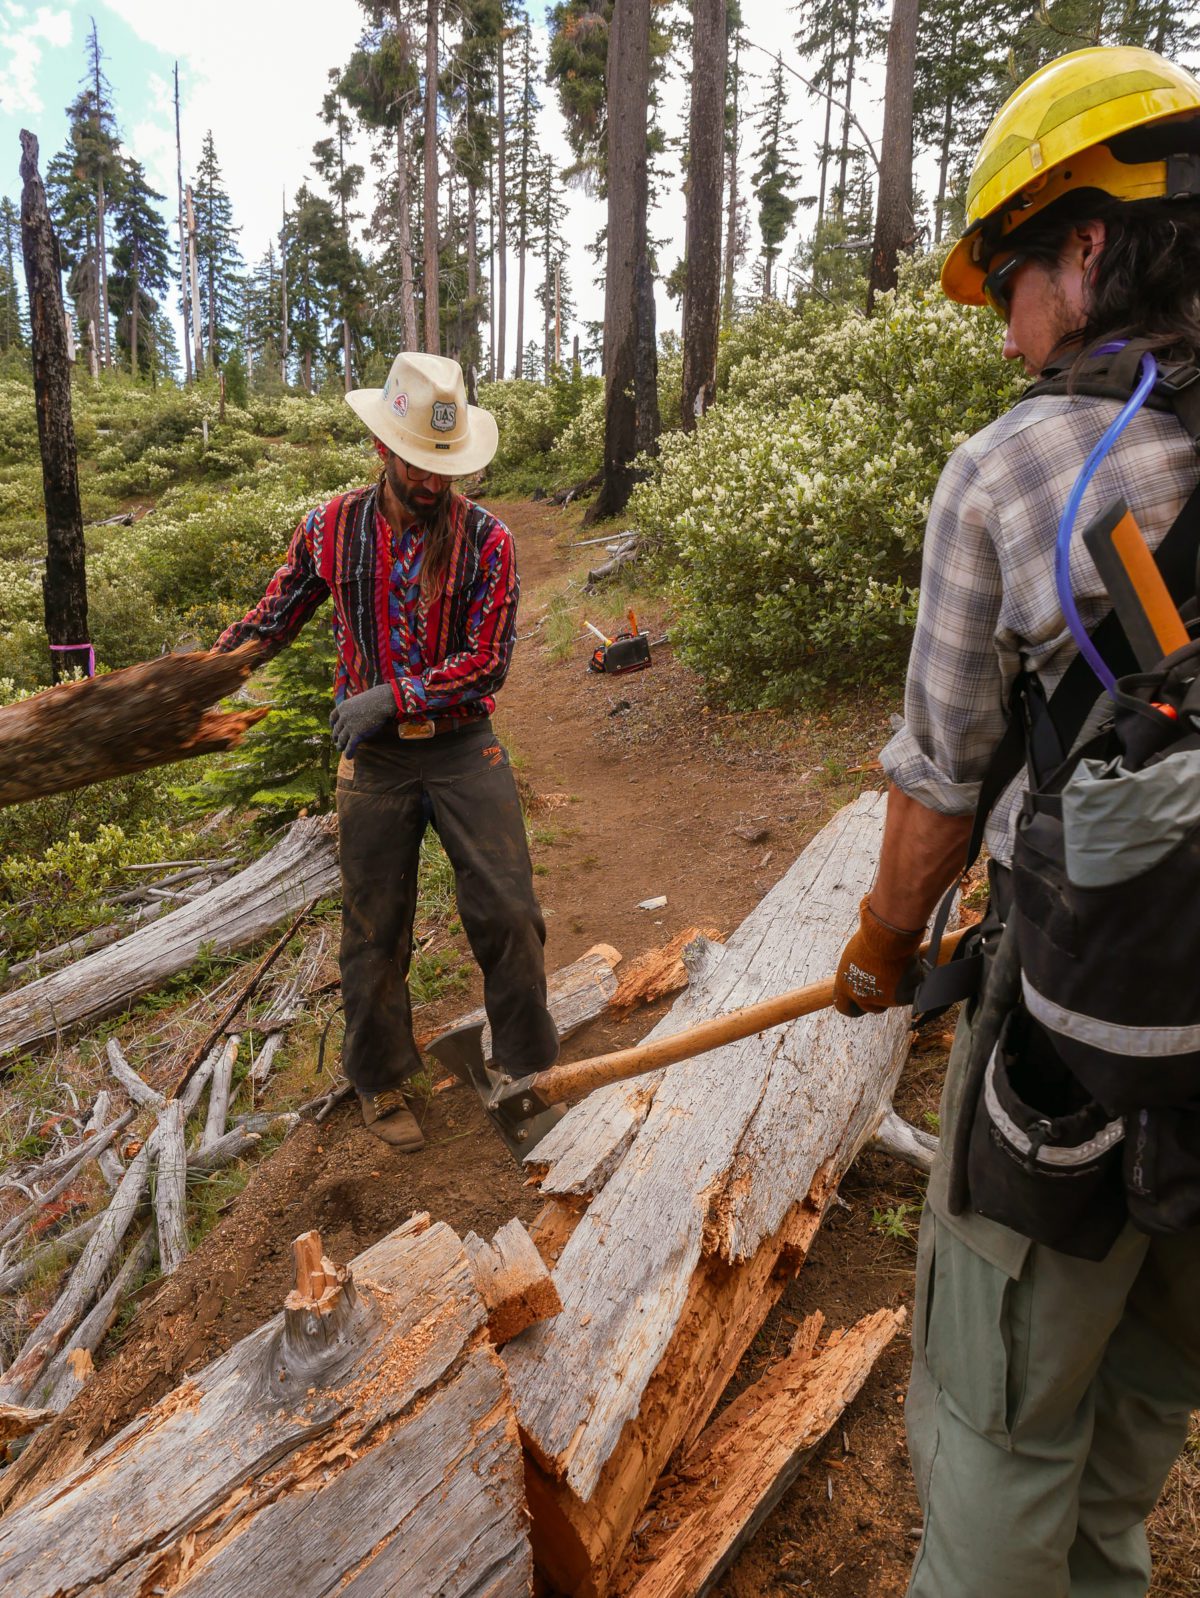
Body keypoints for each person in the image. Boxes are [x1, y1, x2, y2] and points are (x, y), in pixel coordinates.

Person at [831, 46, 1200, 1597]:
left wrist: (877, 949)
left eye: (1008, 281)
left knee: (998, 1427)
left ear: (1091, 240)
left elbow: (936, 787)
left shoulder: (1012, 469)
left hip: (1080, 1056)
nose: (1001, 326)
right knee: (1137, 1413)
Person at [215, 352, 559, 1152]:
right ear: (383, 448)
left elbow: (488, 661)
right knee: (373, 925)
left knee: (509, 908)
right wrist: (199, 679)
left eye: (445, 464)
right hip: (374, 762)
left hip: (462, 743)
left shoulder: (489, 542)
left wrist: (391, 695)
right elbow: (273, 619)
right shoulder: (330, 530)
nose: (432, 481)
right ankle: (378, 1079)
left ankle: (525, 1069)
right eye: (417, 462)